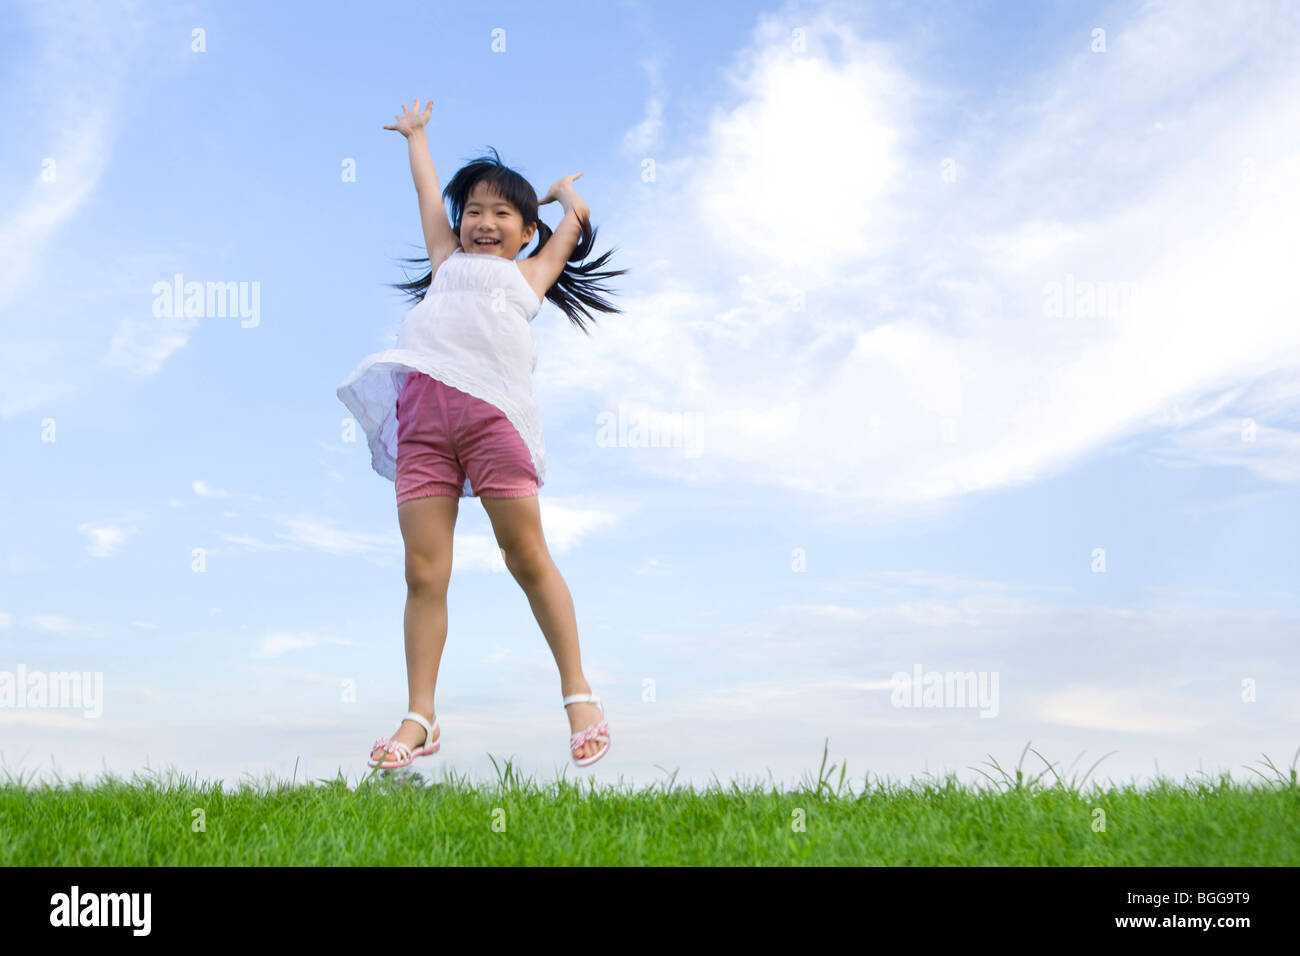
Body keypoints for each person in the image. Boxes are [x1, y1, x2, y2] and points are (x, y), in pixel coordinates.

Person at [336, 98, 627, 771]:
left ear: (527, 231)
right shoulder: (446, 260)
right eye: (474, 211)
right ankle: (420, 717)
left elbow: (574, 220)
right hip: (426, 418)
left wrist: (565, 196)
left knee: (525, 555)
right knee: (421, 571)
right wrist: (417, 137)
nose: (484, 222)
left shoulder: (530, 274)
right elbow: (425, 192)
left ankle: (579, 694)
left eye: (502, 214)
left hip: (494, 419)